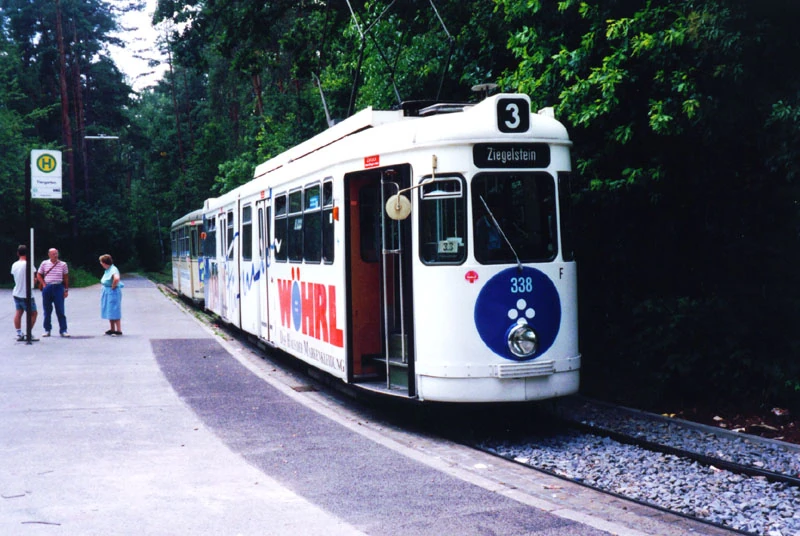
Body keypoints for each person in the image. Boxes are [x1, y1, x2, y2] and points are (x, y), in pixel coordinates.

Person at [37, 248, 69, 337]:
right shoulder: (44, 263)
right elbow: (39, 274)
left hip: (58, 286)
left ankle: (63, 330)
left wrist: (66, 290)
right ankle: (47, 329)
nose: (55, 255)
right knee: (47, 310)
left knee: (60, 310)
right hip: (48, 287)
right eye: (53, 254)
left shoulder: (63, 264)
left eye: (56, 253)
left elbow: (66, 278)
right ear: (49, 255)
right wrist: (43, 284)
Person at [11, 245, 38, 341]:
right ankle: (28, 333)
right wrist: (34, 280)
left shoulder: (14, 265)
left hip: (16, 292)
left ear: (18, 253)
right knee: (33, 313)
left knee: (19, 312)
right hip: (26, 294)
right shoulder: (29, 264)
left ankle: (19, 333)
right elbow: (33, 281)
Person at [99, 254, 123, 336]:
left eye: (101, 262)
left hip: (112, 292)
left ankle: (118, 330)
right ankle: (112, 329)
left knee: (114, 309)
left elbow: (116, 278)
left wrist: (113, 286)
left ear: (105, 262)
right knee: (110, 310)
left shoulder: (113, 269)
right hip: (108, 291)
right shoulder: (108, 269)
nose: (101, 264)